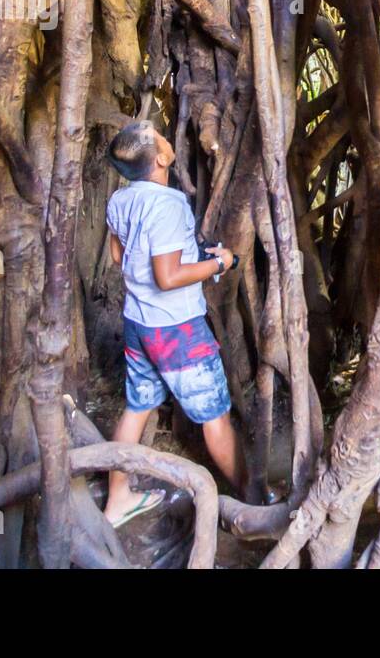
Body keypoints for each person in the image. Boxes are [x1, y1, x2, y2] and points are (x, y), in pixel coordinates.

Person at [101, 119, 243, 527]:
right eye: (159, 135)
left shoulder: (120, 199)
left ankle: (118, 500)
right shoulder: (169, 204)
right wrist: (219, 262)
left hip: (138, 324)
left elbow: (118, 256)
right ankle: (254, 499)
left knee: (137, 407)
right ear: (162, 157)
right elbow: (167, 276)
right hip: (177, 331)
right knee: (216, 417)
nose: (166, 135)